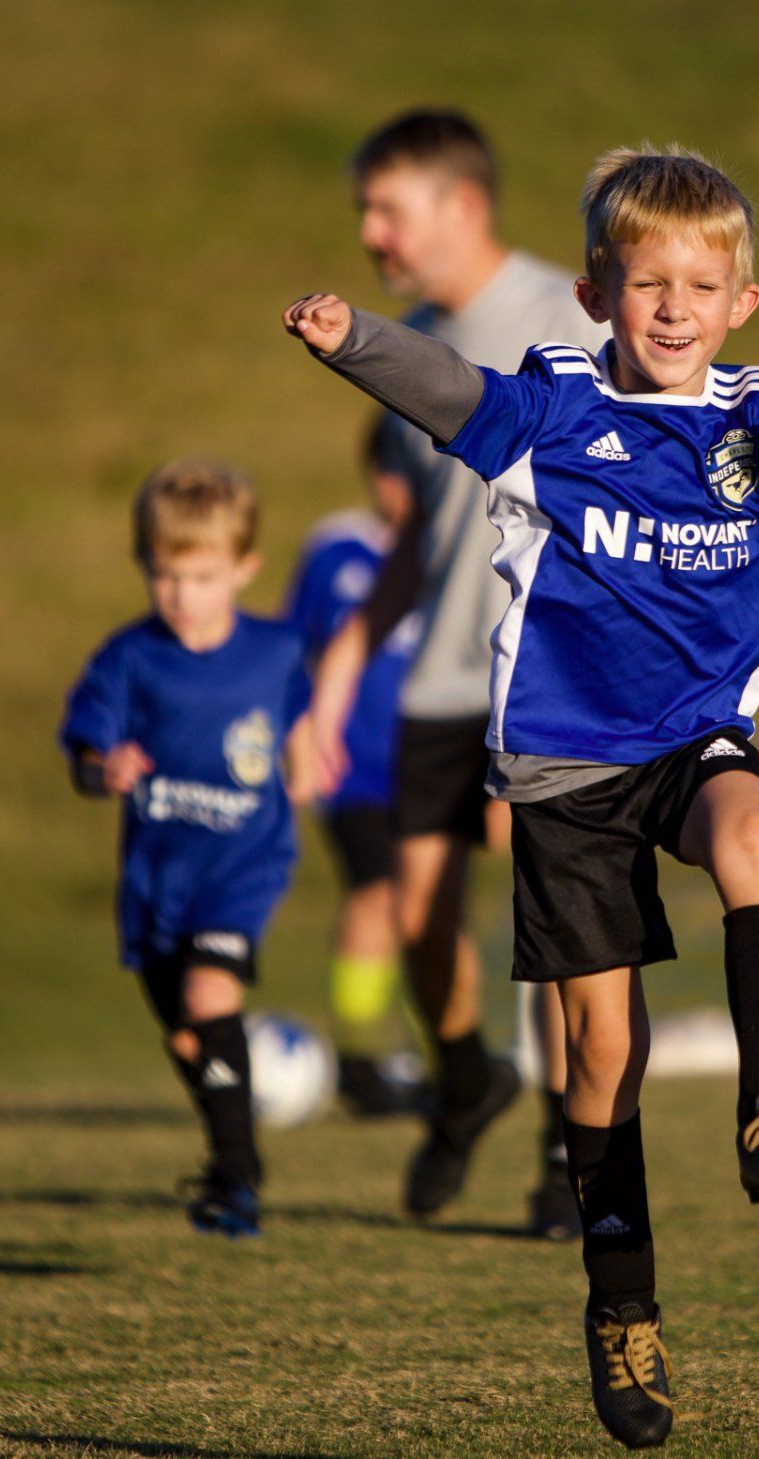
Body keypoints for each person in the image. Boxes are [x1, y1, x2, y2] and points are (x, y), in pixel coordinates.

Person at [285, 144, 759, 1447]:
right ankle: (623, 1308)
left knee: (756, 829)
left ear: (741, 303)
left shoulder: (748, 418)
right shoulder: (551, 413)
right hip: (564, 767)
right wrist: (355, 338)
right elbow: (448, 391)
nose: (672, 307)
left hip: (693, 736)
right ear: (597, 293)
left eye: (700, 286)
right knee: (604, 1054)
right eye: (645, 281)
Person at [315, 110, 611, 1236]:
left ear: (463, 206)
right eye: (364, 209)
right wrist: (344, 660)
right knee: (420, 914)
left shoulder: (568, 315)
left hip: (545, 675)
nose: (370, 230)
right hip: (439, 683)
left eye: (387, 206)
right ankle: (465, 1079)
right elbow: (420, 542)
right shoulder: (406, 346)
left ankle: (562, 1144)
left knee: (545, 916)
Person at [60, 460, 315, 1239]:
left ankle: (238, 1181)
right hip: (156, 881)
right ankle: (230, 1153)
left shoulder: (274, 651)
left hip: (243, 867)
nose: (180, 593)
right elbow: (83, 752)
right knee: (186, 1034)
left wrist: (307, 762)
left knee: (211, 998)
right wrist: (106, 769)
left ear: (242, 568)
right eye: (164, 574)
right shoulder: (127, 658)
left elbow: (299, 715)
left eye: (201, 575)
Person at [281, 430, 428, 1116]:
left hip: (432, 763)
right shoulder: (336, 547)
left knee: (429, 905)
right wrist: (301, 731)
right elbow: (292, 648)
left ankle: (431, 1054)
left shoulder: (457, 545)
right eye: (394, 474)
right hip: (352, 768)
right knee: (375, 891)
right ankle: (361, 1054)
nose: (402, 491)